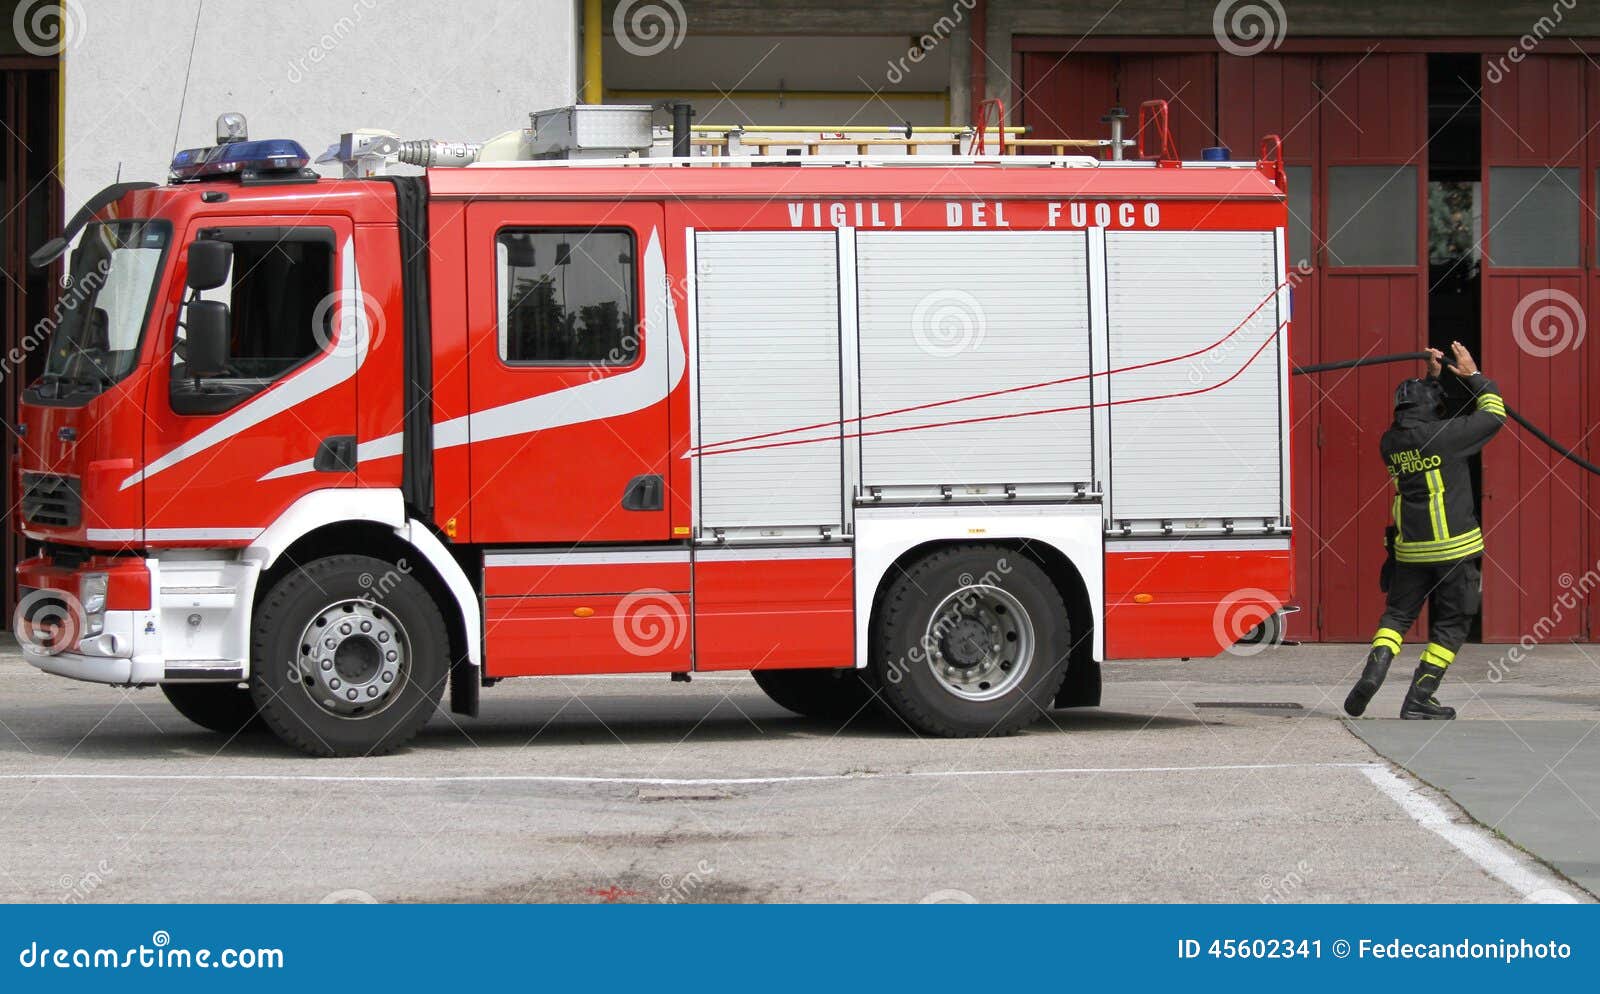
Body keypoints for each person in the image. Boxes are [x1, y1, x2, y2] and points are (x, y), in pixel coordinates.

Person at [1344, 342, 1505, 720]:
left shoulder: (1391, 442)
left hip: (1411, 549)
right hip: (1454, 549)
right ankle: (1420, 696)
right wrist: (1473, 375)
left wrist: (1433, 381)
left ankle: (1375, 669)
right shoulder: (1448, 436)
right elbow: (1495, 414)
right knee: (1453, 622)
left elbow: (1423, 422)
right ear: (1433, 410)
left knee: (1397, 616)